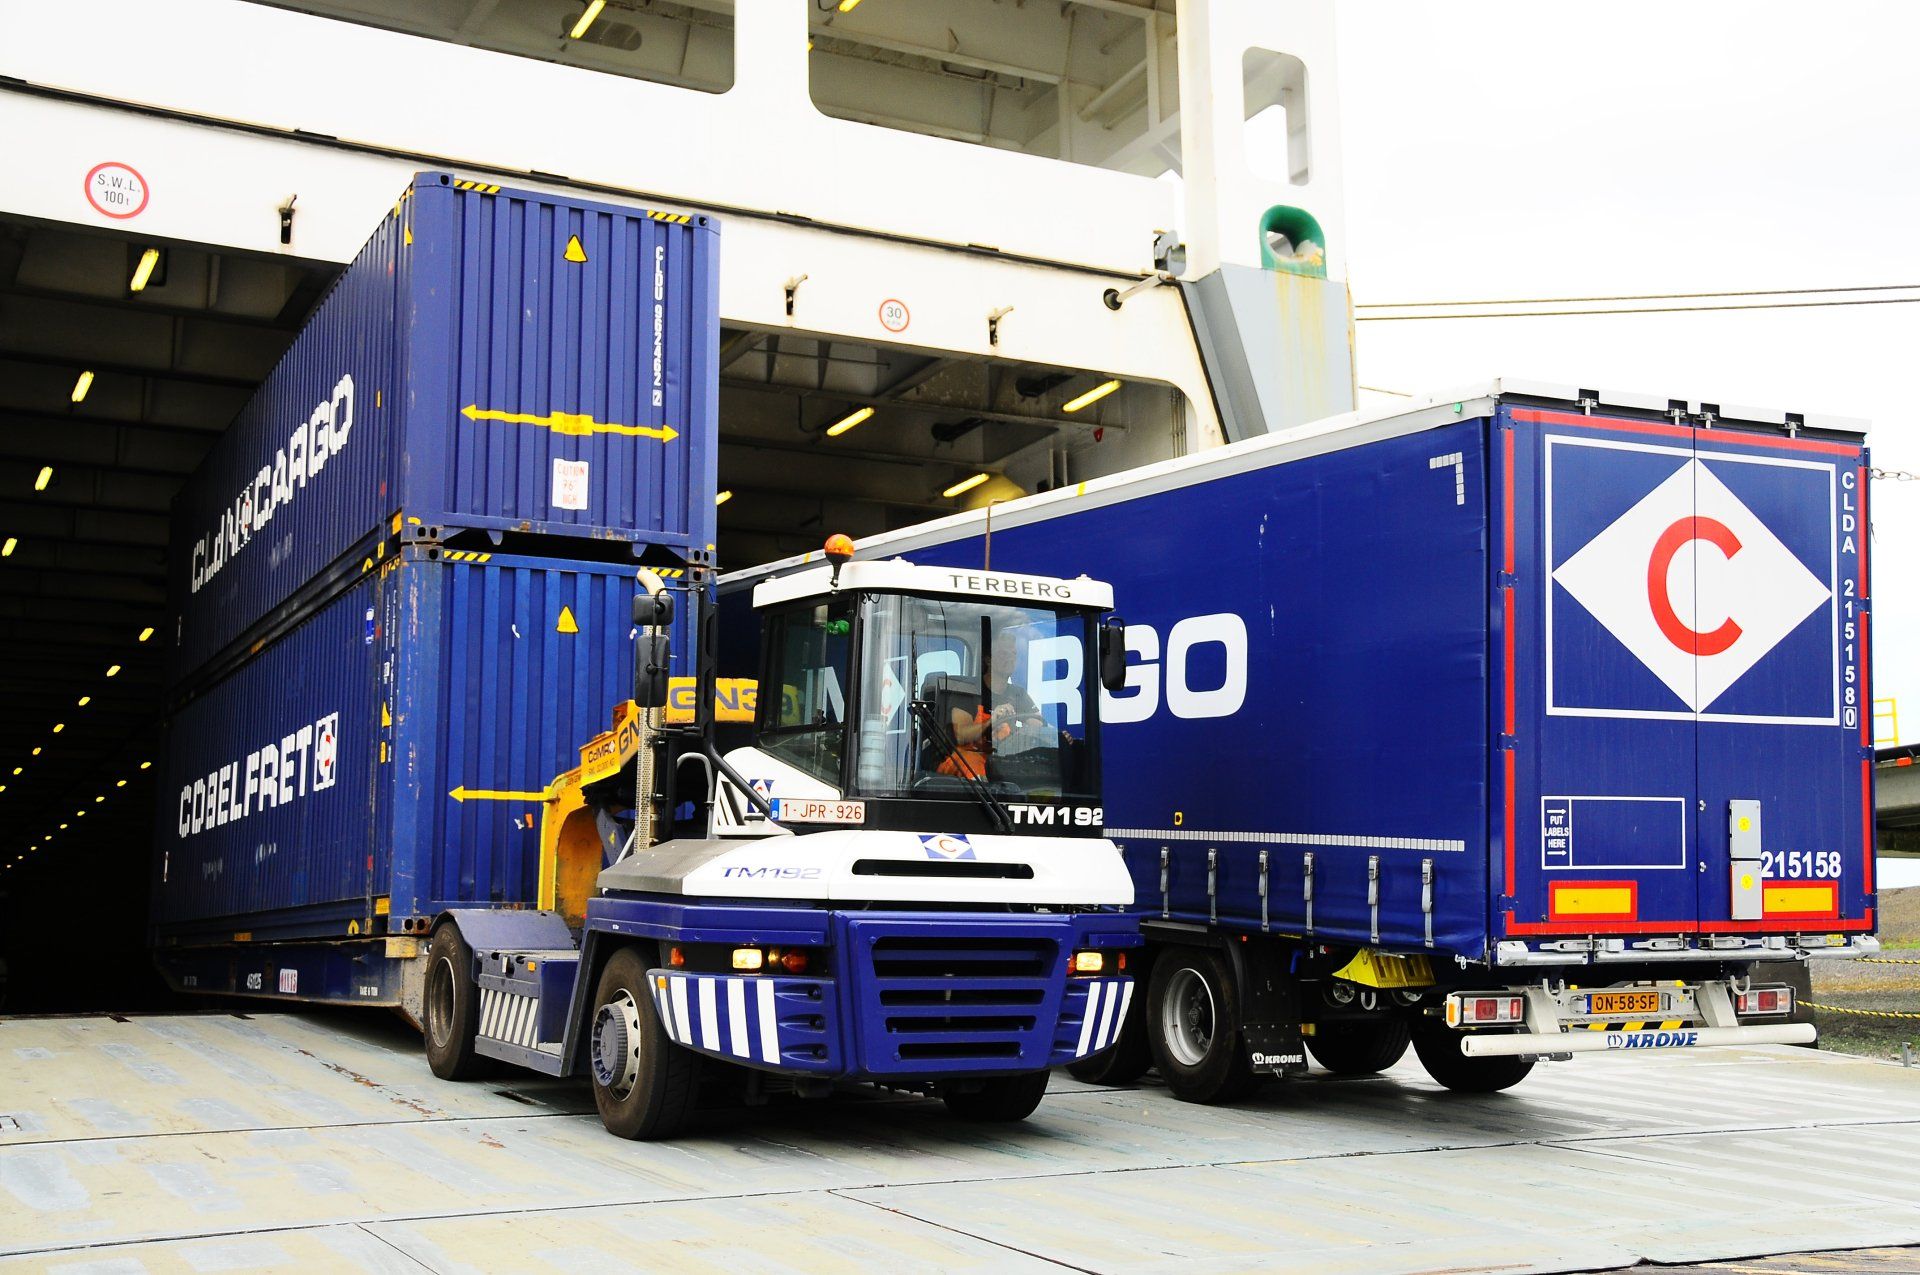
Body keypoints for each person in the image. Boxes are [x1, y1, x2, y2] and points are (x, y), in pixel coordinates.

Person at [938, 630, 1044, 780]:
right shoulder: (966, 690)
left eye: (1013, 654)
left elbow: (1037, 722)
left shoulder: (1018, 693)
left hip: (1004, 758)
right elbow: (961, 736)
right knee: (974, 765)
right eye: (1003, 654)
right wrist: (991, 721)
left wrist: (1053, 734)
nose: (1010, 659)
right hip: (970, 759)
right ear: (988, 660)